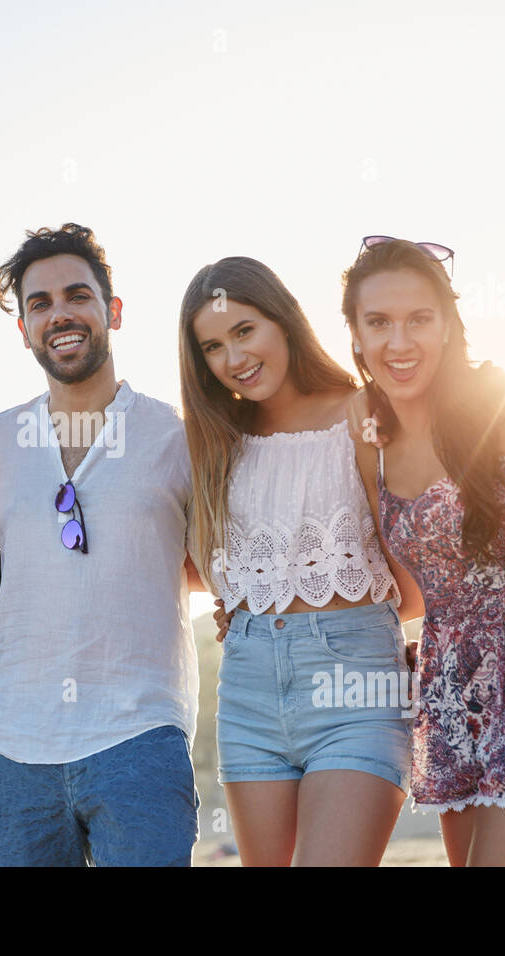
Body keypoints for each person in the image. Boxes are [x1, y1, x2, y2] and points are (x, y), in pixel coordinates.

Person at [0, 223, 201, 866]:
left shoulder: (178, 435)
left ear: (111, 311)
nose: (60, 314)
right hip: (12, 751)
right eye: (40, 303)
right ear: (25, 328)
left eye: (77, 295)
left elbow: (221, 563)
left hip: (140, 735)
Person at [343, 236, 505, 865]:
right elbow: (405, 588)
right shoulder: (370, 441)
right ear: (354, 334)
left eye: (419, 319)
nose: (398, 342)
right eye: (378, 322)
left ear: (449, 325)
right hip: (451, 693)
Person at [183, 256, 421, 866]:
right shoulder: (216, 442)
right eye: (212, 346)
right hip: (247, 693)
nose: (233, 358)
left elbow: (416, 576)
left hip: (355, 683)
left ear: (283, 321)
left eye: (245, 331)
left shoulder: (360, 412)